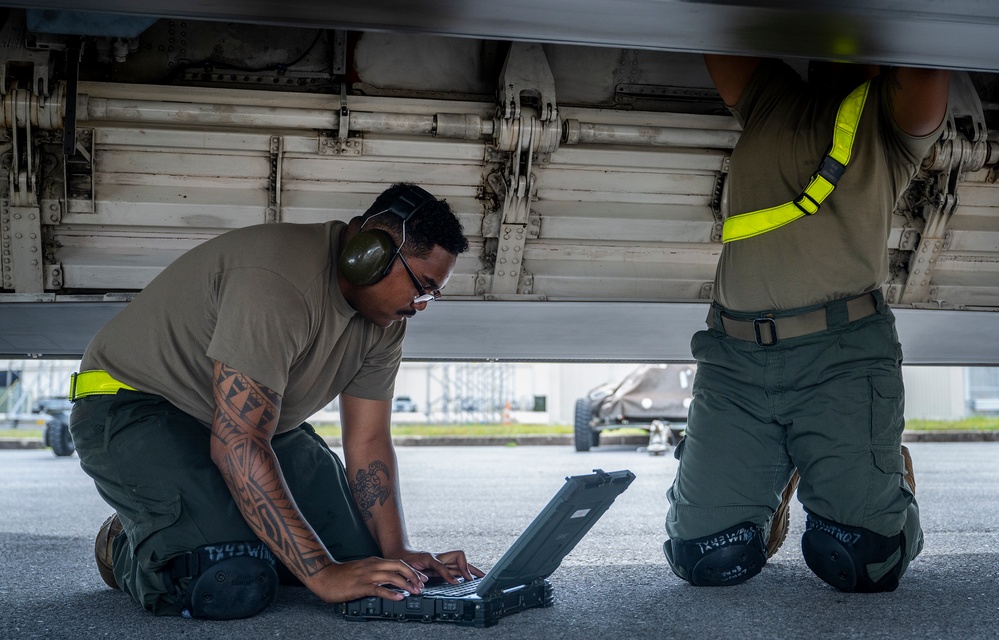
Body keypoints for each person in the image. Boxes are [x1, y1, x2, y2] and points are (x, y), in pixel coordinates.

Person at [69, 182, 481, 619]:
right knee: (226, 578)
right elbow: (237, 443)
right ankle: (126, 542)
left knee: (370, 565)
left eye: (432, 295)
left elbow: (369, 439)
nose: (421, 306)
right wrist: (322, 572)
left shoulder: (386, 325)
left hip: (255, 428)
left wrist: (398, 551)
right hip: (139, 407)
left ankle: (213, 518)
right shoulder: (278, 281)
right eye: (421, 286)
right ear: (370, 254)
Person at [663, 56, 950, 592]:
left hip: (840, 363)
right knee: (703, 558)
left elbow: (930, 65)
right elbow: (714, 37)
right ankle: (783, 475)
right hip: (735, 363)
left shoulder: (890, 128)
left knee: (863, 562)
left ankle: (882, 482)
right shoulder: (772, 98)